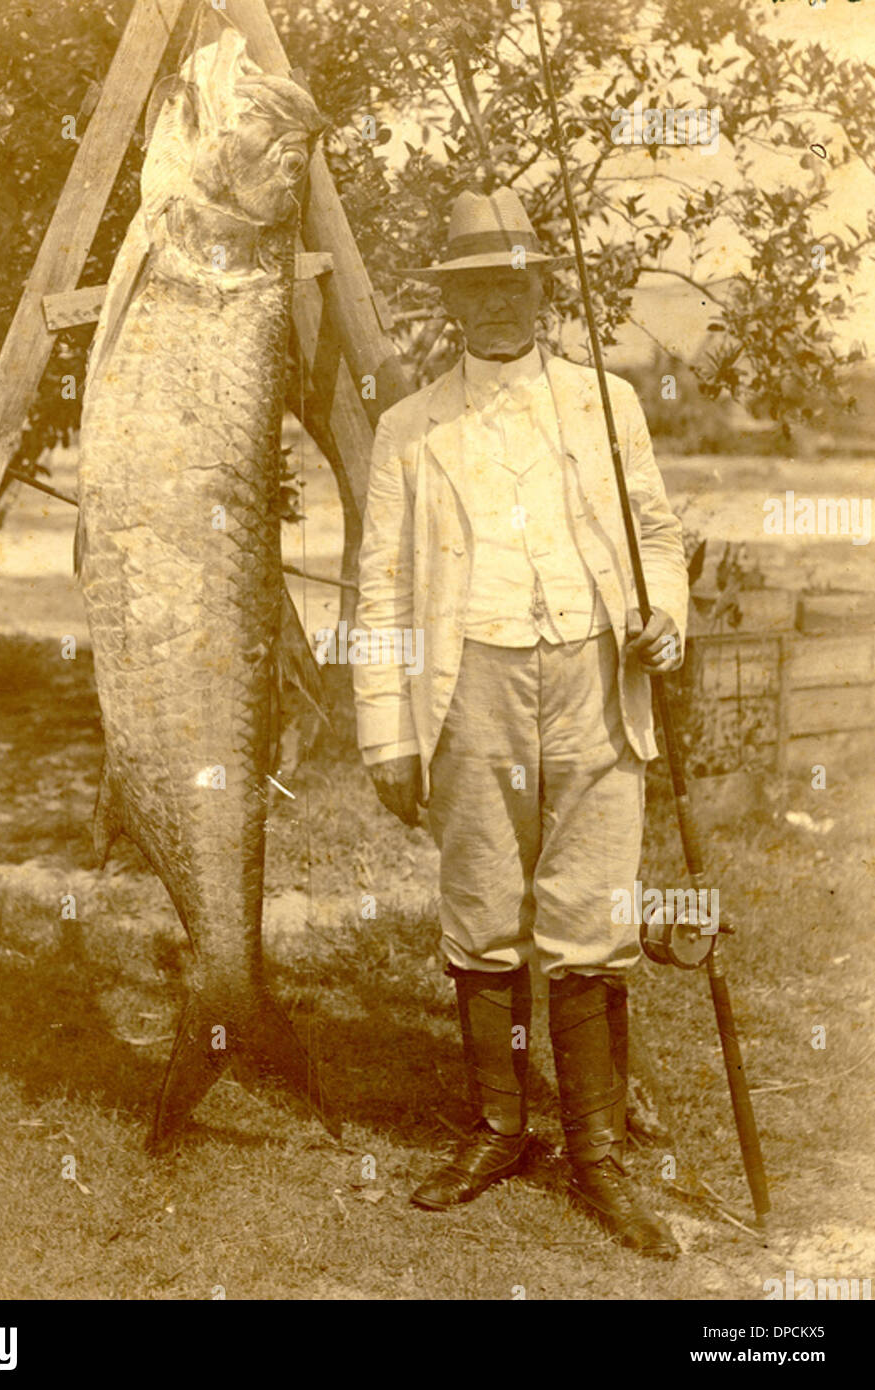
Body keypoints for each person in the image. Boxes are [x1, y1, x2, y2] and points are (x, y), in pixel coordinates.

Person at [353, 187, 688, 1258]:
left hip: (594, 680)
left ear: (543, 289)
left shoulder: (607, 404)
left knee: (591, 913)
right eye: (473, 288)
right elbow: (379, 590)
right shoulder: (410, 427)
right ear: (452, 304)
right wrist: (385, 733)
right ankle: (500, 1128)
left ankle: (595, 1149)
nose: (497, 303)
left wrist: (662, 620)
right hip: (470, 687)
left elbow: (656, 536)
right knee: (485, 908)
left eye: (513, 282)